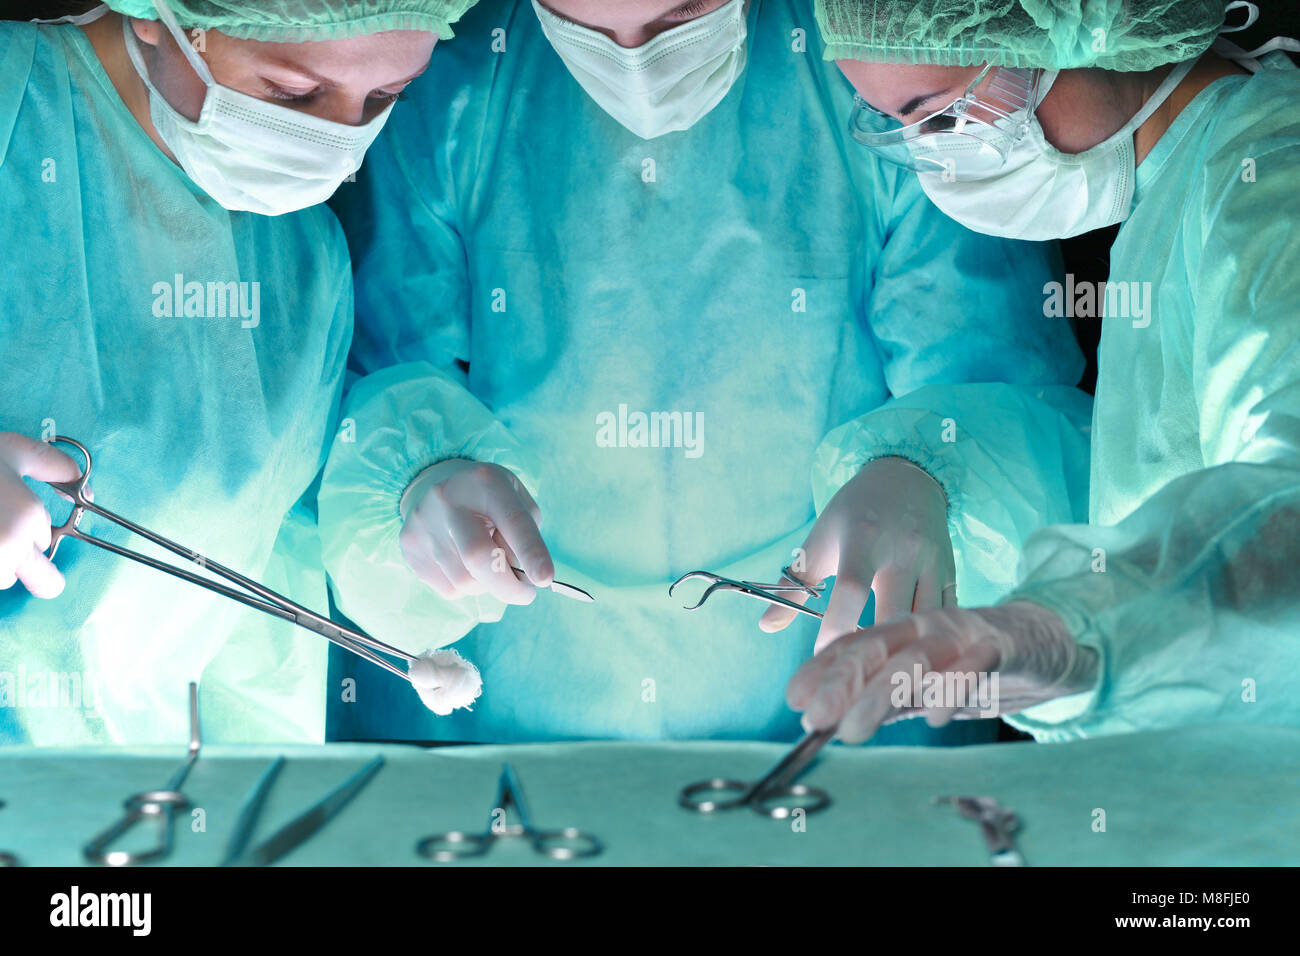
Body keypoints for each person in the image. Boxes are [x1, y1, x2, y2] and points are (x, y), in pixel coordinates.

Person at [318, 0, 1092, 745]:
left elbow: (993, 379)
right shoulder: (444, 76)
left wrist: (937, 478)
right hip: (496, 715)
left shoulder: (877, 58)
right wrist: (412, 486)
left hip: (850, 689)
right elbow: (370, 378)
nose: (637, 61)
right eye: (585, 23)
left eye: (681, 14)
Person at [789, 0, 1300, 742]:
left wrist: (1075, 629)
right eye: (897, 127)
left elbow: (1283, 512)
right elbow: (1138, 494)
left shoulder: (1271, 185)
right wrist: (932, 476)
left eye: (937, 116)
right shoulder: (1184, 181)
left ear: (1083, 25)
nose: (937, 161)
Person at [0, 0, 474, 745]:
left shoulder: (304, 262)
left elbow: (258, 623)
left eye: (385, 97)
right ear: (156, 13)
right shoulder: (14, 107)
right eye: (293, 94)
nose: (338, 143)